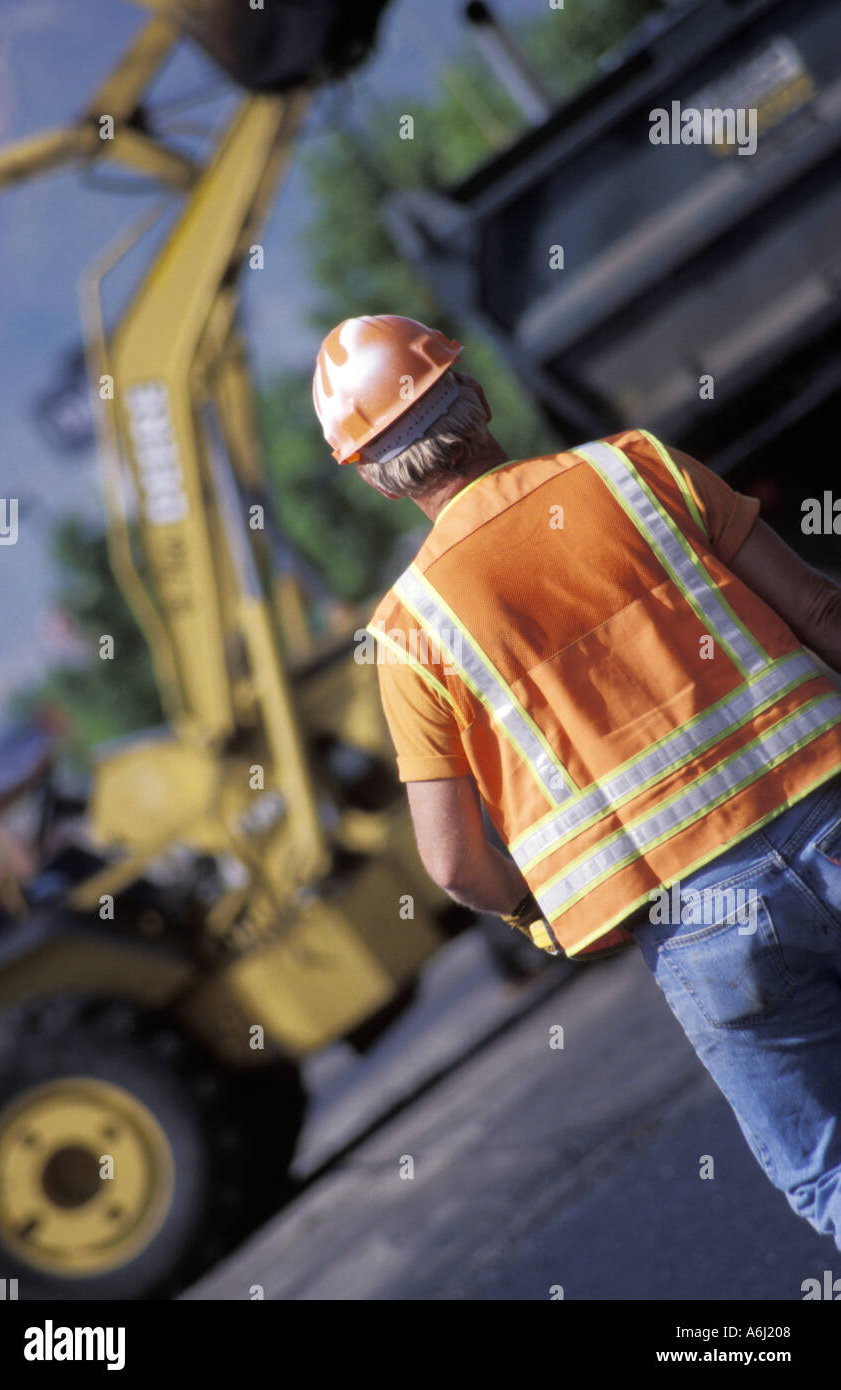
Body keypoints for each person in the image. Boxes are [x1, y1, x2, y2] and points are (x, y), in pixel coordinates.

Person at [312, 313, 841, 1248]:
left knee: (827, 1172)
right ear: (471, 400)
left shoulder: (409, 632)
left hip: (700, 927)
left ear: (370, 478)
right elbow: (816, 607)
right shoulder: (631, 470)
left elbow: (451, 862)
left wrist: (538, 917)